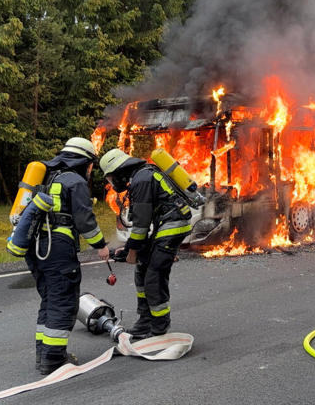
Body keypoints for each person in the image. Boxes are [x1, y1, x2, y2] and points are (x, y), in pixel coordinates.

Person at [25, 137, 109, 374]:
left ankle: (43, 353)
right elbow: (85, 220)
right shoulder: (75, 181)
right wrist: (100, 245)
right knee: (63, 300)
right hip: (58, 247)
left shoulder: (45, 176)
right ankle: (54, 360)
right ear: (84, 161)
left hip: (36, 247)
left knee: (50, 299)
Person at [99, 148, 192, 338]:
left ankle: (159, 327)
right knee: (142, 269)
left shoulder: (141, 179)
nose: (112, 183)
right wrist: (131, 249)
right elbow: (144, 223)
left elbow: (141, 224)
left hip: (173, 225)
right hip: (164, 224)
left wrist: (133, 251)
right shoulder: (140, 176)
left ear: (118, 171)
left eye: (110, 178)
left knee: (153, 276)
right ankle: (145, 321)